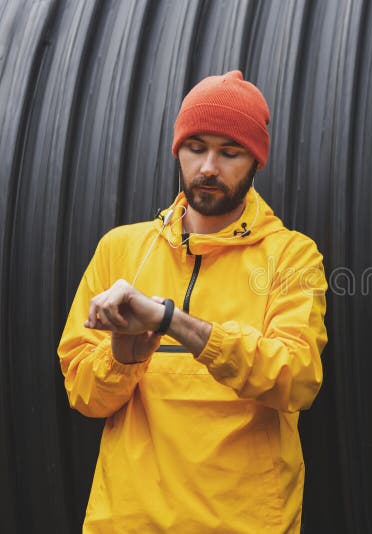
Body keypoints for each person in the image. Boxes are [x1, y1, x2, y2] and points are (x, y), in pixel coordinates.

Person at [57, 70, 328, 533]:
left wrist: (175, 322)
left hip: (241, 523)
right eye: (196, 146)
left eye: (230, 152)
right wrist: (123, 355)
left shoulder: (291, 255)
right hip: (127, 522)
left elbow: (296, 379)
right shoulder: (122, 250)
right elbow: (83, 396)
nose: (208, 167)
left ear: (256, 160)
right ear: (177, 149)